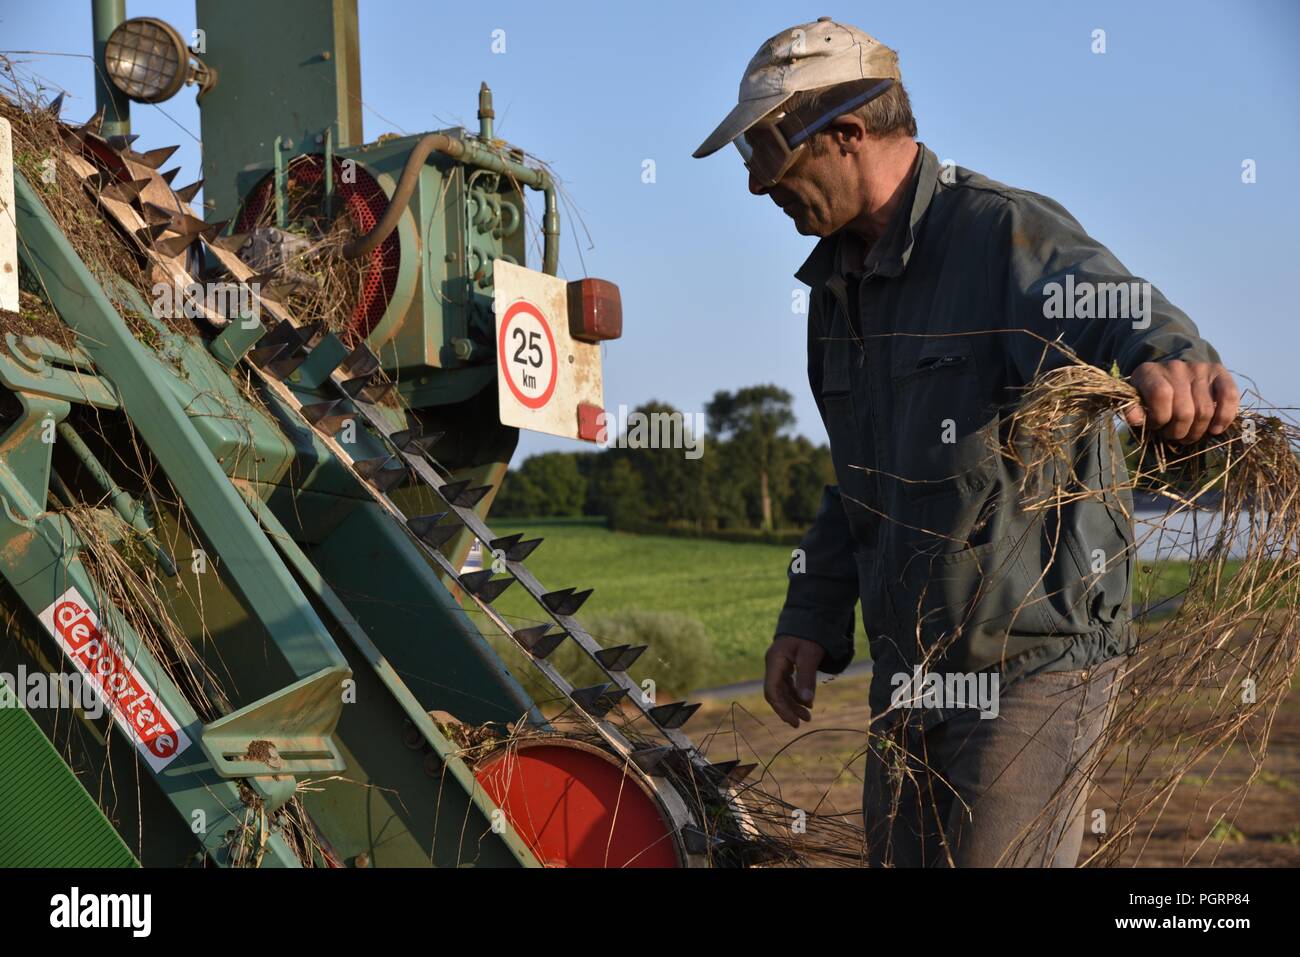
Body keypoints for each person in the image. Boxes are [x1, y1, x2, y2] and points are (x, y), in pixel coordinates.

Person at [692, 18, 1239, 867]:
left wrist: (1174, 361)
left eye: (768, 154)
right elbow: (859, 476)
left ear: (845, 133)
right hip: (911, 672)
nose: (761, 187)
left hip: (1030, 667)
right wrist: (812, 613)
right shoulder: (838, 296)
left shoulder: (1000, 236)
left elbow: (1109, 306)